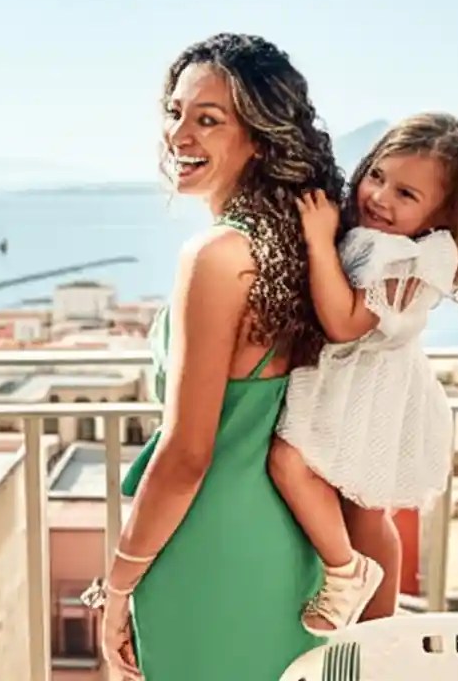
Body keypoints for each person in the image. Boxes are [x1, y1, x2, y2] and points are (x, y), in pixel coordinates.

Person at [81, 33, 349, 681]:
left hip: (206, 551)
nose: (178, 136)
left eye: (208, 120)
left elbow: (186, 454)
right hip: (288, 553)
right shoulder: (302, 246)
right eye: (174, 114)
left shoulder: (216, 256)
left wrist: (116, 587)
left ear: (258, 137)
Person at [268, 112, 458, 635]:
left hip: (369, 396)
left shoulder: (408, 259)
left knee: (304, 471)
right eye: (377, 176)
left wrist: (315, 240)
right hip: (354, 387)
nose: (379, 197)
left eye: (406, 195)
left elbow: (344, 322)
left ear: (441, 215)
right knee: (361, 508)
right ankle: (378, 633)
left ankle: (349, 580)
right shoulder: (376, 237)